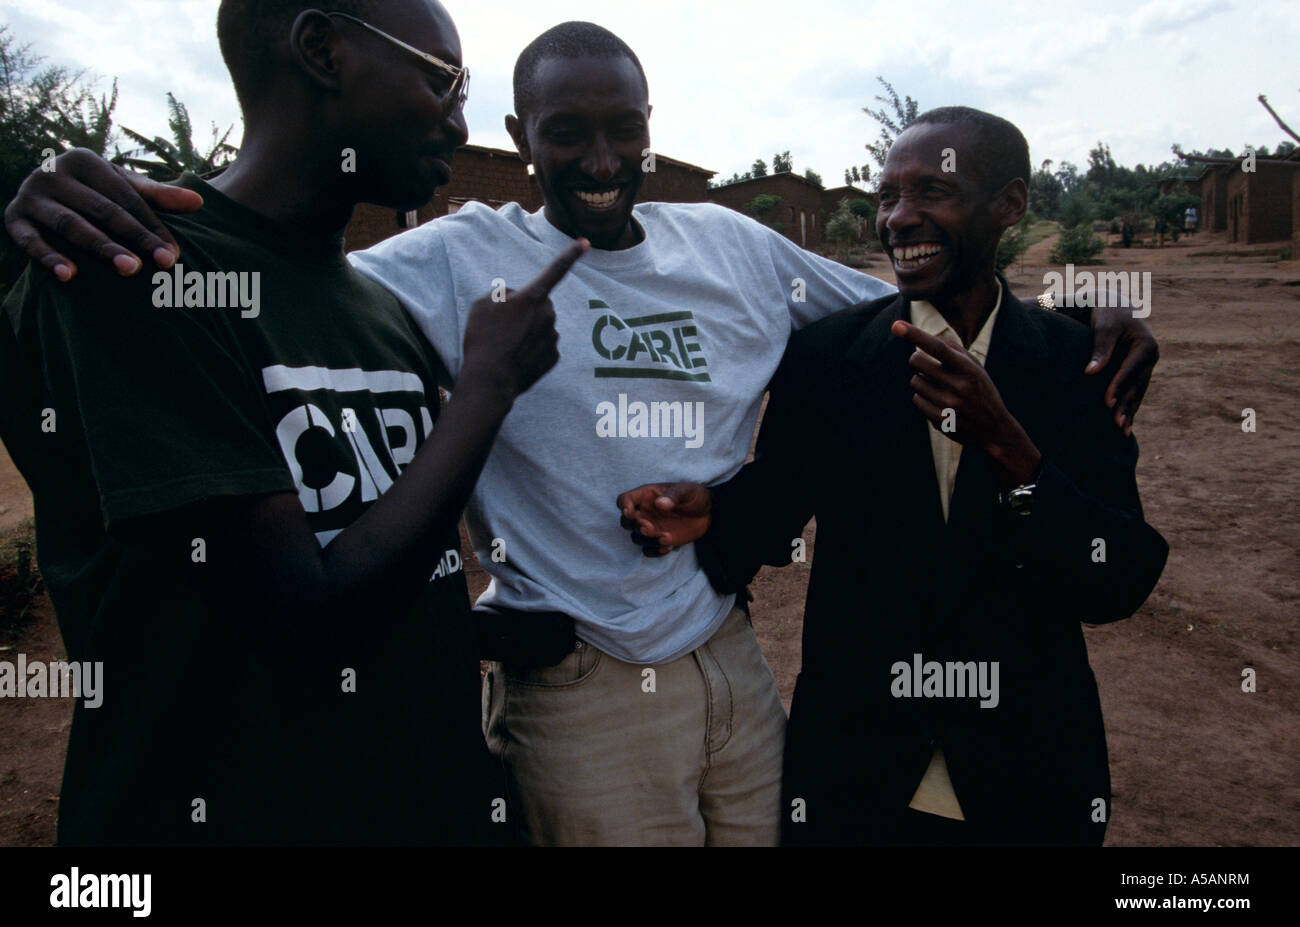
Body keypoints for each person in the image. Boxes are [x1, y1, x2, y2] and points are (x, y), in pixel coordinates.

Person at [3, 23, 1161, 846]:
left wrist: (1083, 317)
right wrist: (69, 193)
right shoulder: (443, 265)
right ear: (520, 134)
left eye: (624, 130)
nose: (601, 161)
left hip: (730, 659)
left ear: (653, 128)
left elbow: (907, 301)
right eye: (567, 133)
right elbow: (275, 272)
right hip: (583, 679)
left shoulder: (735, 250)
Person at [0, 0, 586, 845]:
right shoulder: (135, 266)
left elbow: (388, 560)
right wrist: (487, 389)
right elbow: (311, 624)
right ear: (321, 49)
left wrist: (512, 625)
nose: (459, 125)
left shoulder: (380, 311)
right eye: (444, 81)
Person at [618, 107, 1169, 846]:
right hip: (857, 781)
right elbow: (775, 505)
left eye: (932, 192)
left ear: (1009, 204)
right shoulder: (828, 358)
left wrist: (1010, 450)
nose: (899, 218)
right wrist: (709, 510)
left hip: (1026, 779)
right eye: (886, 197)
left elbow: (1117, 578)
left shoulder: (1077, 366)